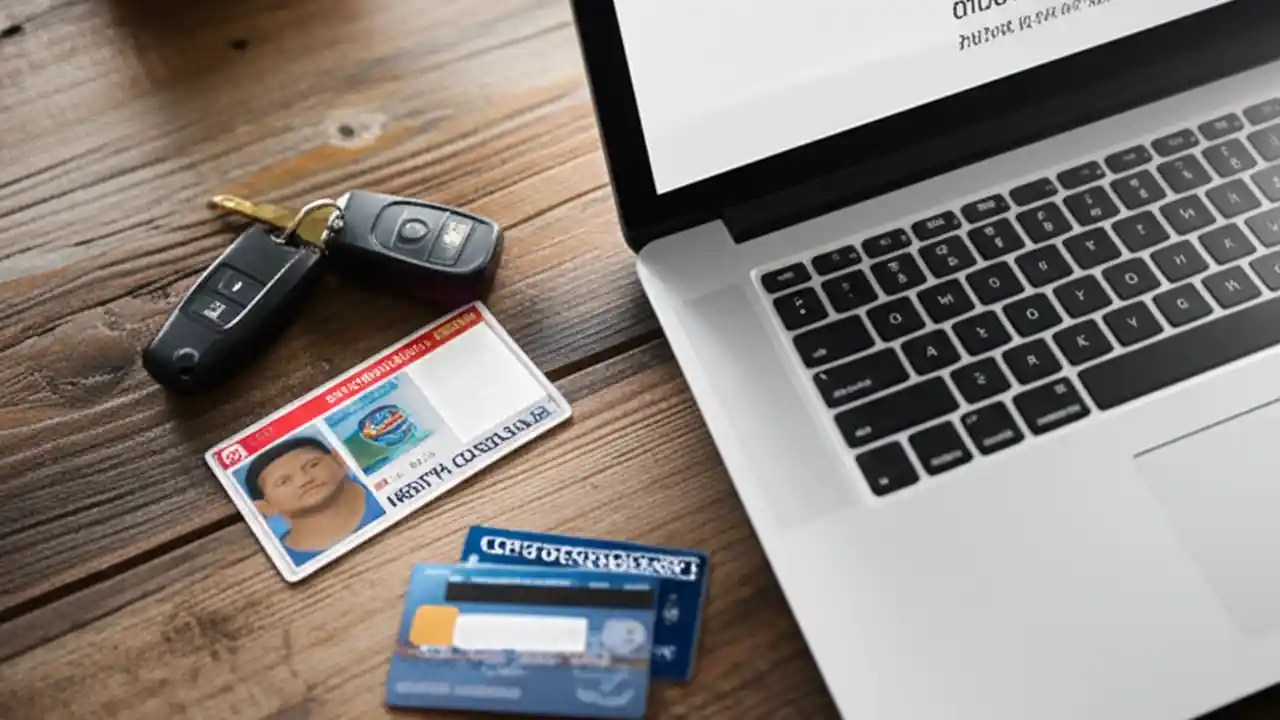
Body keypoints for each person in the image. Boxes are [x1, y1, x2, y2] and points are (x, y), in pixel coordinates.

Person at [245, 435, 385, 566]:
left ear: (340, 460)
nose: (304, 480)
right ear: (265, 507)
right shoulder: (287, 561)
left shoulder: (386, 484)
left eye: (313, 465)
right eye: (284, 482)